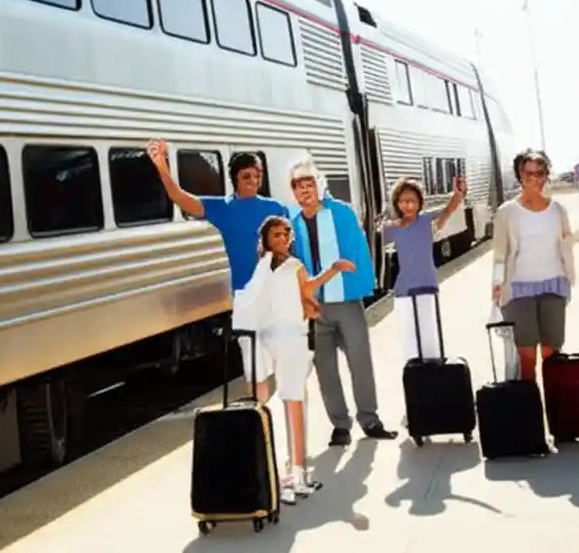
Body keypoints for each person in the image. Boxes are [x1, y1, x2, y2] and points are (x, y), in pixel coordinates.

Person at [146, 139, 296, 402]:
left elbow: (293, 254)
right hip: (246, 298)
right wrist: (161, 165)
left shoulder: (276, 208)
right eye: (247, 175)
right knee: (254, 367)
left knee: (281, 361)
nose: (253, 179)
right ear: (235, 179)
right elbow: (180, 197)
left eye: (257, 174)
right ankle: (260, 418)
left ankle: (271, 411)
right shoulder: (222, 208)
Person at [236, 216, 351, 503]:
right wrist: (331, 273)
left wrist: (331, 274)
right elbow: (304, 292)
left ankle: (292, 472)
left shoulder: (273, 268)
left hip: (281, 338)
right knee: (287, 403)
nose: (283, 239)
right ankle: (289, 474)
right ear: (266, 240)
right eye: (277, 235)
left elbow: (304, 291)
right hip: (282, 338)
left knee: (290, 403)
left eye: (286, 234)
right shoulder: (269, 268)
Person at [286, 160, 397, 446]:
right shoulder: (294, 222)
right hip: (316, 306)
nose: (305, 191)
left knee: (360, 362)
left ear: (318, 186)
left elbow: (358, 251)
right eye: (299, 187)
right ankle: (340, 425)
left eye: (309, 185)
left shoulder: (342, 213)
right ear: (294, 192)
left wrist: (365, 286)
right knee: (325, 369)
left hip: (346, 301)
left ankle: (370, 420)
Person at [491, 149, 577, 382]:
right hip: (519, 289)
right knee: (526, 357)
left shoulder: (558, 210)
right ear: (520, 174)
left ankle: (555, 411)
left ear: (546, 175)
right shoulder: (507, 212)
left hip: (554, 285)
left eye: (539, 173)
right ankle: (531, 412)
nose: (534, 179)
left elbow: (566, 242)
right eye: (528, 173)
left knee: (552, 357)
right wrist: (497, 284)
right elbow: (499, 254)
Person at [379, 175, 466, 366]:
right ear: (397, 203)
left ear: (419, 203)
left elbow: (447, 211)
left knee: (430, 339)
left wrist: (458, 195)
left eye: (411, 201)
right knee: (409, 342)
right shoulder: (391, 228)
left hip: (427, 285)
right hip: (403, 290)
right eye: (402, 201)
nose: (407, 205)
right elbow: (370, 239)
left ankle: (434, 378)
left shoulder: (427, 222)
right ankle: (414, 379)